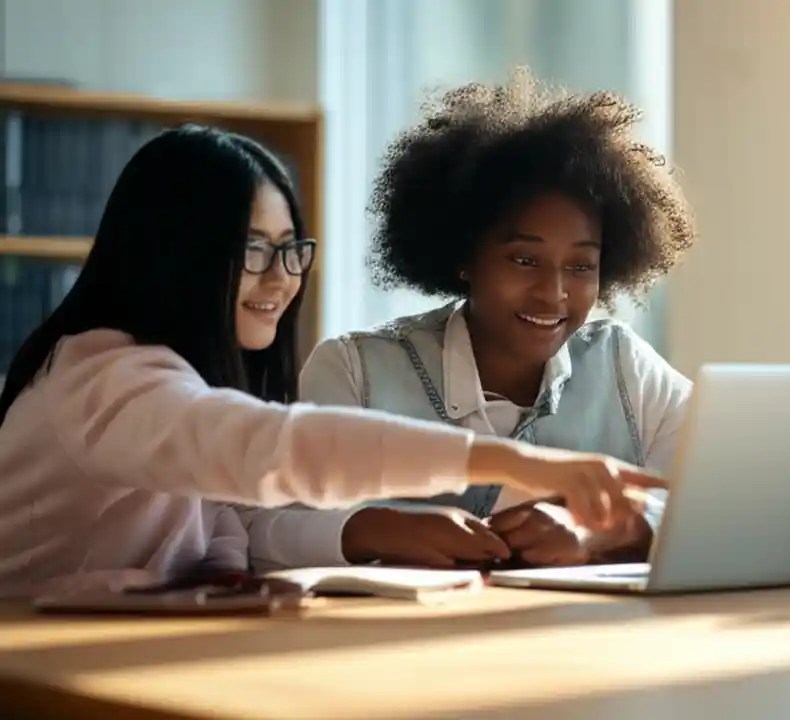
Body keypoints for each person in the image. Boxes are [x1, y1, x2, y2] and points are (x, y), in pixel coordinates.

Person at [0, 125, 661, 598]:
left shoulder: (184, 380)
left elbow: (229, 532)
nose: (282, 277)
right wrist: (515, 462)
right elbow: (276, 449)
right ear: (175, 255)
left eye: (291, 248)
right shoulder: (103, 379)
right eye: (252, 250)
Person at [242, 69, 697, 571]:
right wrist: (379, 530)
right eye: (524, 260)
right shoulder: (355, 370)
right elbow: (262, 532)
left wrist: (605, 532)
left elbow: (720, 498)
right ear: (465, 256)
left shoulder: (626, 368)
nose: (553, 293)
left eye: (581, 266)